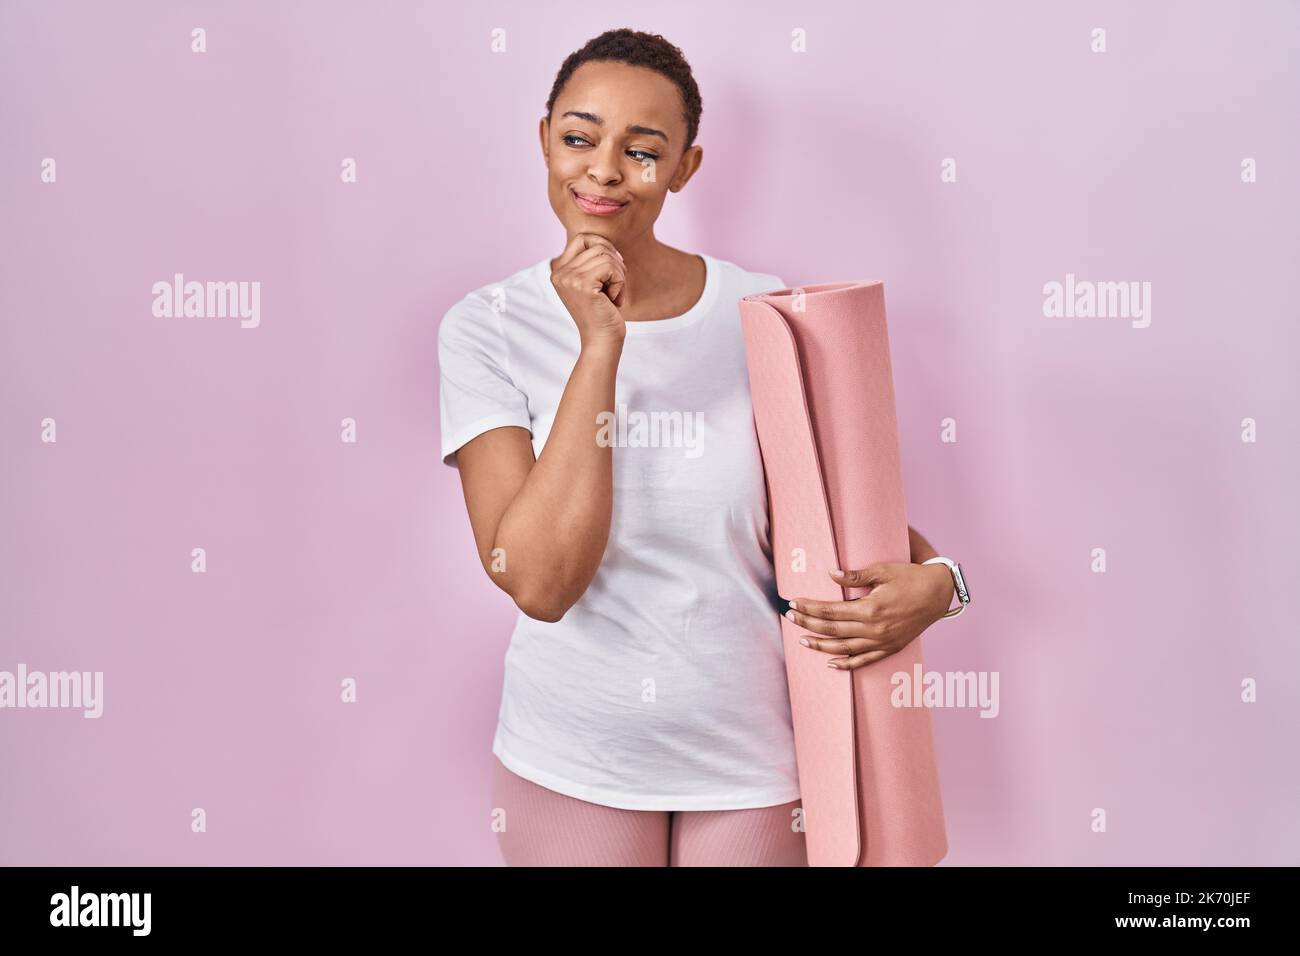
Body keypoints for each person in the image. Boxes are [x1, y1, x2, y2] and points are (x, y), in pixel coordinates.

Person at [437, 28, 964, 866]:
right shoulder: (485, 330)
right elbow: (537, 580)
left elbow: (835, 524)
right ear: (544, 140)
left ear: (685, 168)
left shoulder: (764, 314)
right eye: (579, 138)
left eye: (643, 151)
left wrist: (942, 584)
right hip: (575, 759)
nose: (604, 170)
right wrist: (599, 346)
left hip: (755, 762)